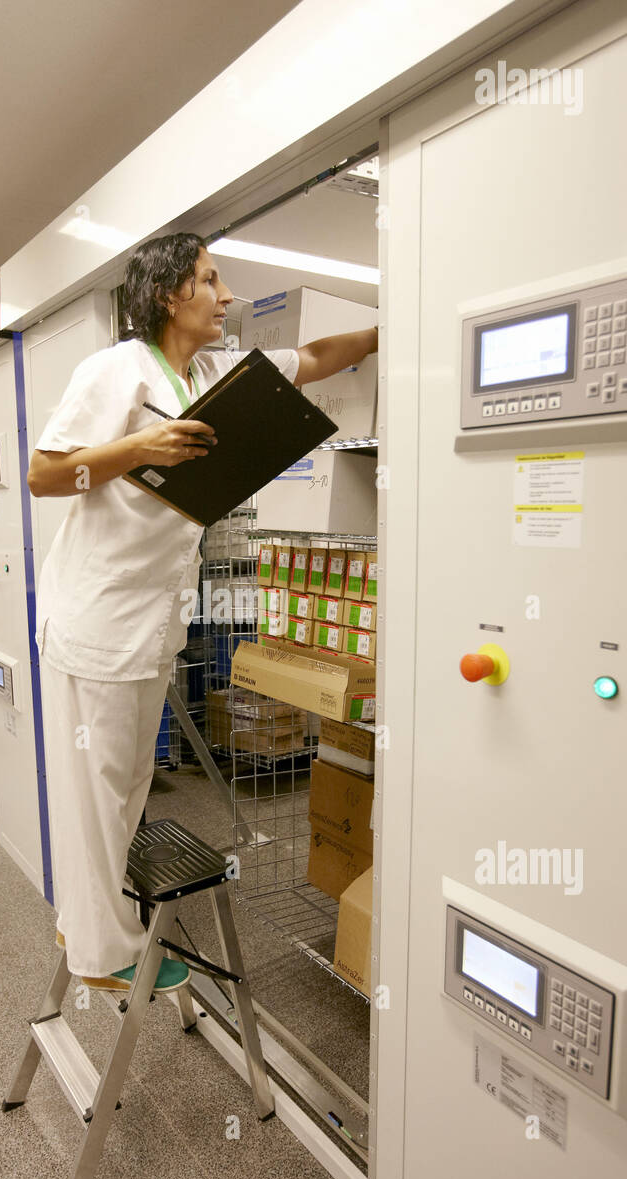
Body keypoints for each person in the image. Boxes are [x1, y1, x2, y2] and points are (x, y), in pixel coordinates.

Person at [27, 232, 378, 990]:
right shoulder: (115, 369)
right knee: (98, 791)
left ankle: (82, 920)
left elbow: (315, 359)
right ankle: (101, 955)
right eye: (210, 281)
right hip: (99, 612)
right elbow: (45, 476)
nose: (226, 297)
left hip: (150, 616)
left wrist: (389, 330)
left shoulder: (219, 373)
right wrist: (139, 445)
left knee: (121, 788)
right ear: (165, 294)